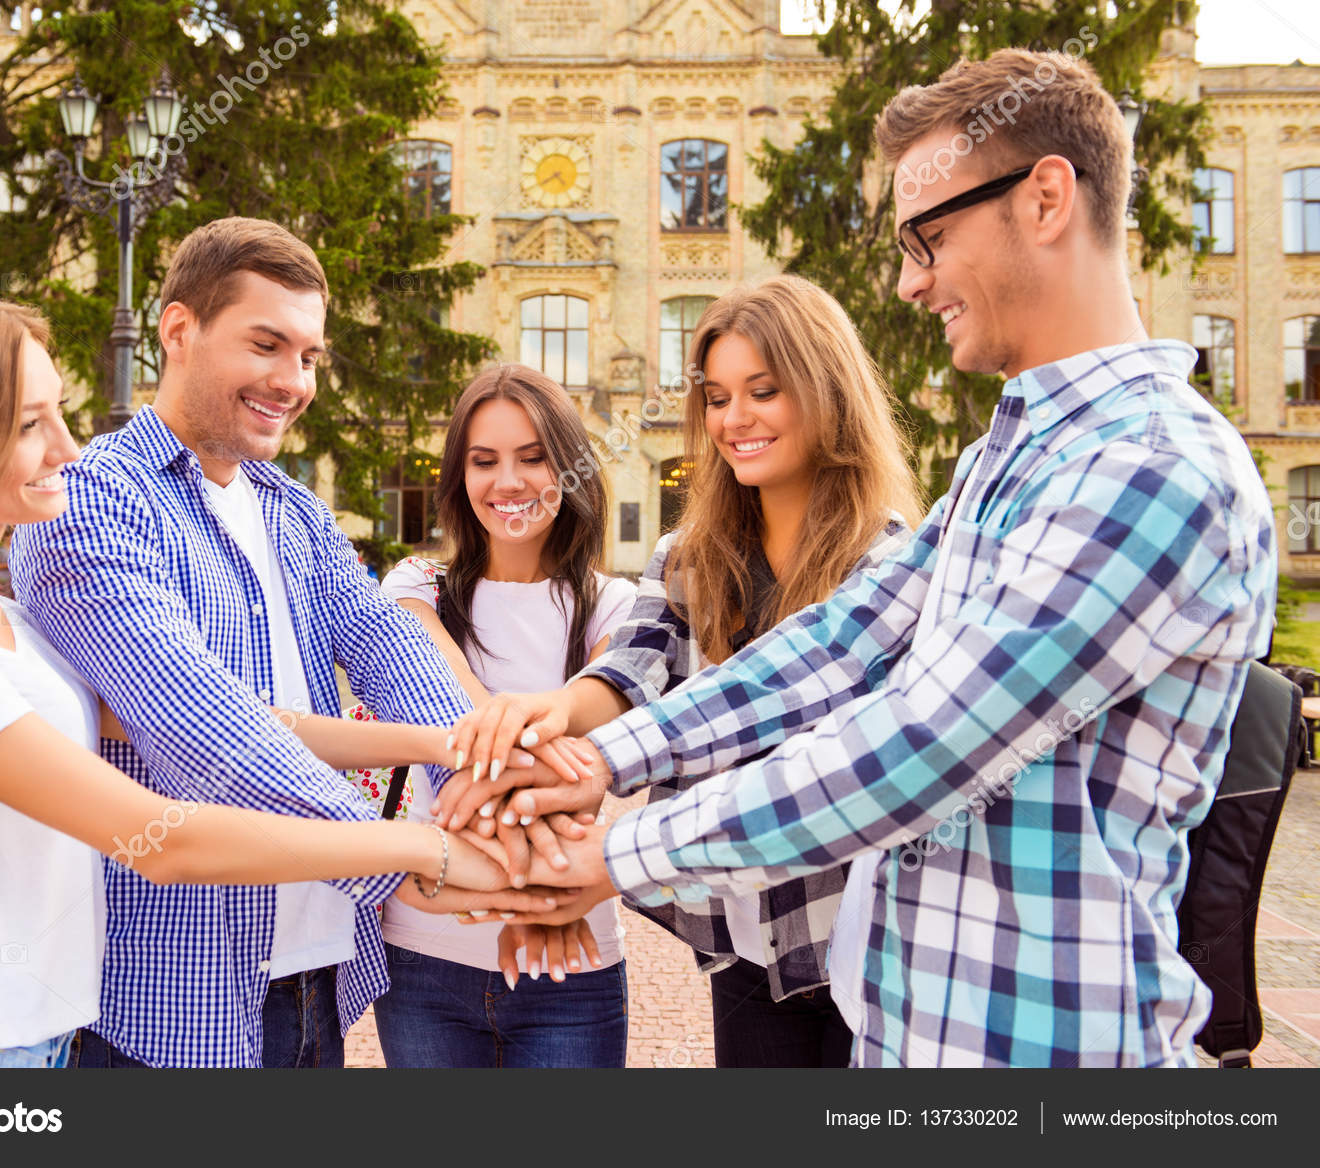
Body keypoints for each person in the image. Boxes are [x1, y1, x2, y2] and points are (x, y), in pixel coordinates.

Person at [443, 48, 1277, 1068]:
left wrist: (615, 852)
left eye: (927, 237)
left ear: (1046, 197)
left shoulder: (1151, 468)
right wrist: (601, 759)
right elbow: (834, 647)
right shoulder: (1001, 459)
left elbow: (924, 741)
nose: (908, 279)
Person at [0, 281, 556, 1070]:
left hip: (68, 1030)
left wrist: (462, 752)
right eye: (27, 424)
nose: (67, 450)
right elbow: (166, 833)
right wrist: (418, 852)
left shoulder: (5, 628)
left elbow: (240, 716)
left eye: (58, 415)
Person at [8, 217, 571, 1068]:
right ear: (178, 330)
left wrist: (483, 786)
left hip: (316, 977)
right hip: (170, 997)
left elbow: (393, 650)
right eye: (266, 345)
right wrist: (424, 858)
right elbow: (211, 737)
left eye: (310, 356)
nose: (293, 380)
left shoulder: (293, 508)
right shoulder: (94, 504)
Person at [443, 277, 923, 1066]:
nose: (735, 420)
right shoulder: (689, 557)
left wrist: (592, 833)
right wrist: (544, 720)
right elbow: (633, 670)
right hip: (742, 933)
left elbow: (811, 712)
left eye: (762, 392)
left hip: (865, 934)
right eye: (718, 397)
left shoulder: (887, 560)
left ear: (826, 391)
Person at [370, 365, 637, 1068]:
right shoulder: (415, 586)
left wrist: (542, 897)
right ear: (459, 477)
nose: (507, 482)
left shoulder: (615, 606)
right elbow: (466, 721)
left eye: (533, 457)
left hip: (570, 952)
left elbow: (589, 756)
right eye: (483, 462)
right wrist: (543, 757)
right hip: (426, 952)